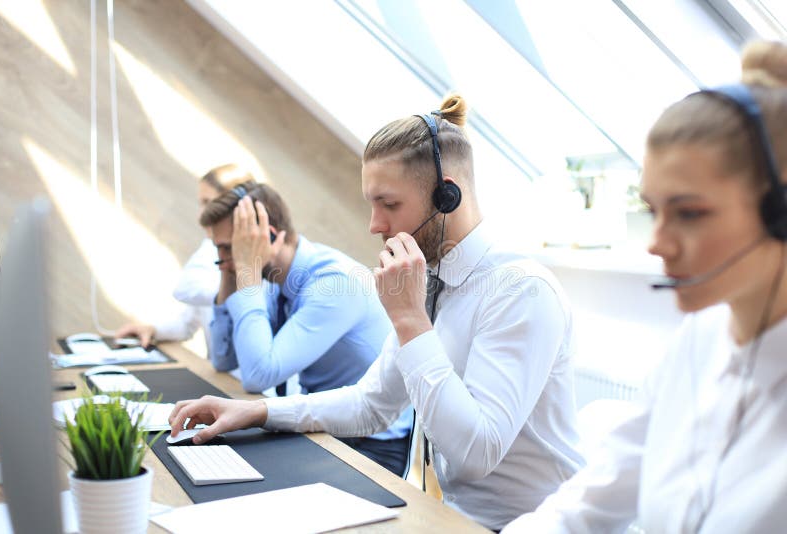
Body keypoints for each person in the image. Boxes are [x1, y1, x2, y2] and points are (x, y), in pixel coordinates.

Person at [170, 93, 584, 530]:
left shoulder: (520, 291)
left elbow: (477, 454)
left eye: (389, 205)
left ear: (448, 196)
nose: (374, 224)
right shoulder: (427, 280)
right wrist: (259, 413)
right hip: (453, 518)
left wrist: (410, 321)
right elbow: (372, 405)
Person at [502, 40, 787, 533]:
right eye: (653, 211)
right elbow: (592, 501)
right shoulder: (695, 345)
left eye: (690, 213)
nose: (656, 244)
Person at [200, 181, 413, 476]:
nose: (223, 261)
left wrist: (246, 273)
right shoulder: (278, 277)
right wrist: (229, 271)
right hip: (321, 427)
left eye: (230, 248)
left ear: (270, 236)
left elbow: (258, 375)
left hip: (370, 446)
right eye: (220, 250)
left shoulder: (334, 284)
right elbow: (224, 359)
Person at [115, 164, 256, 356]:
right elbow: (187, 320)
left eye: (209, 203)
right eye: (201, 203)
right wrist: (153, 329)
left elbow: (188, 290)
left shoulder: (261, 258)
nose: (201, 215)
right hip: (223, 378)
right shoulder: (209, 249)